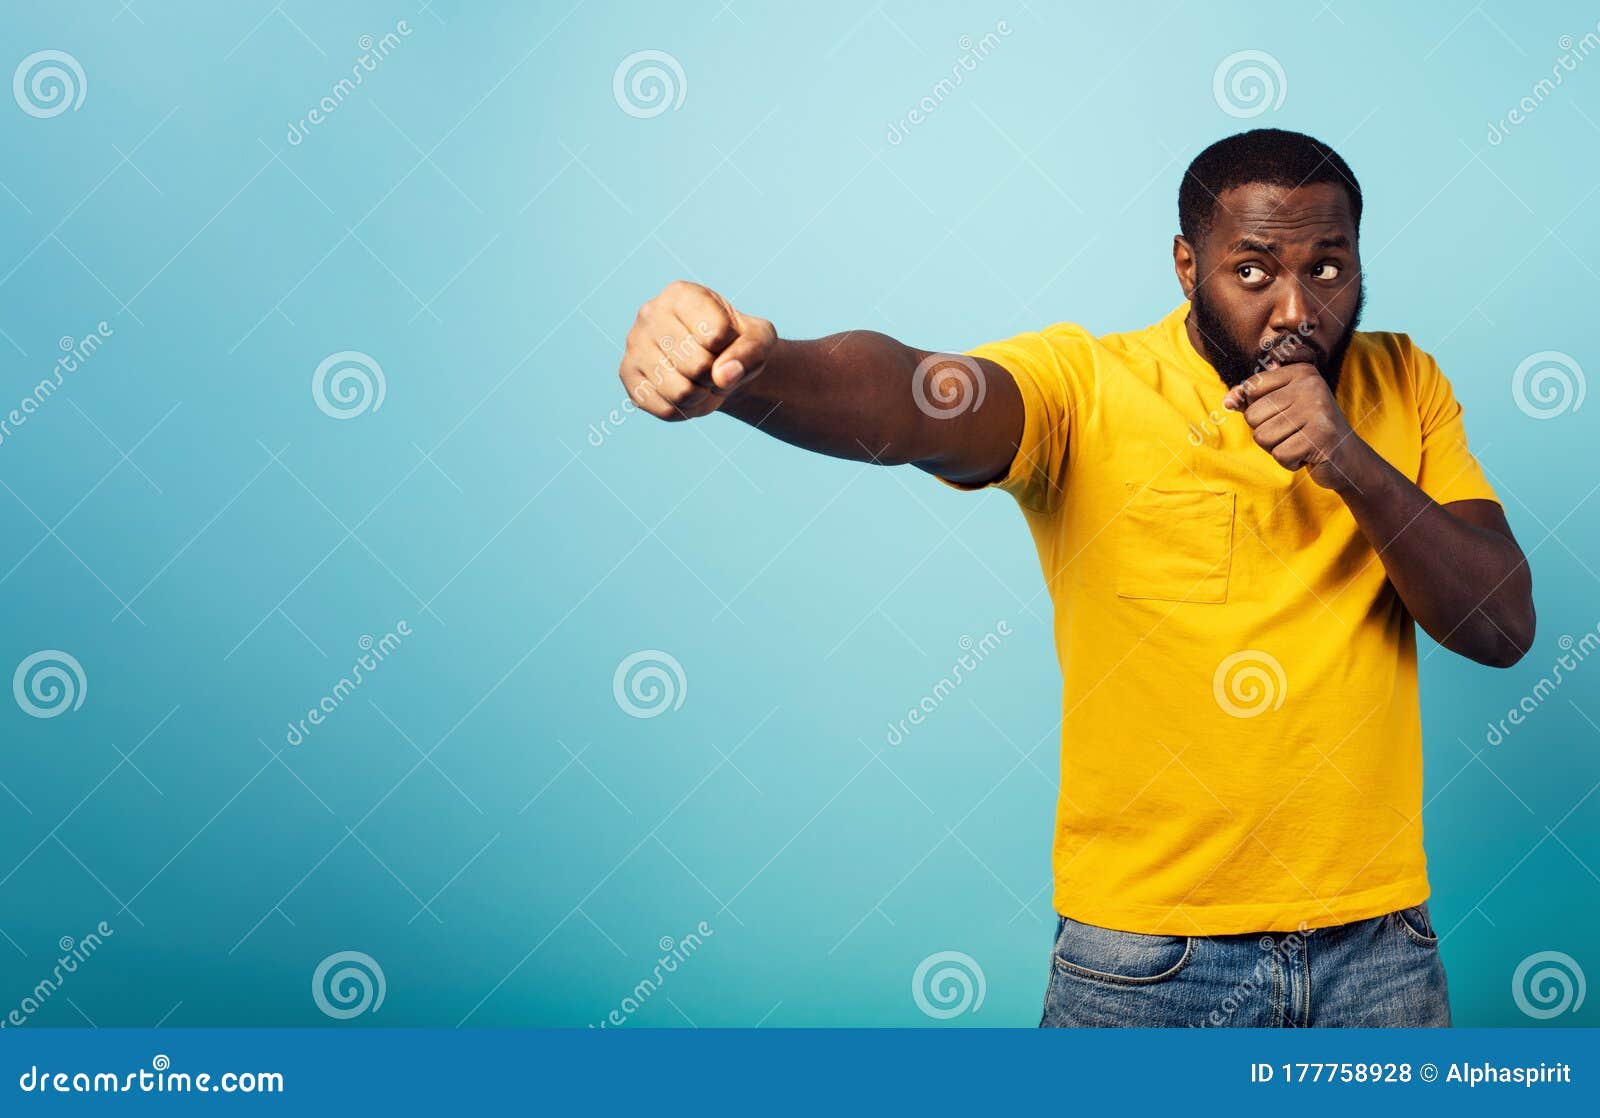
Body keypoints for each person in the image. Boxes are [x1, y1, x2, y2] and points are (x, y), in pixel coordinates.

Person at [615, 128, 1535, 1027]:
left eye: (1328, 268)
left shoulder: (1405, 380)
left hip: (1378, 946)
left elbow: (1500, 628)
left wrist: (1350, 460)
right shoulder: (1085, 387)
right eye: (1252, 271)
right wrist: (757, 370)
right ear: (1187, 266)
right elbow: (914, 398)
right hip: (1148, 959)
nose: (1296, 309)